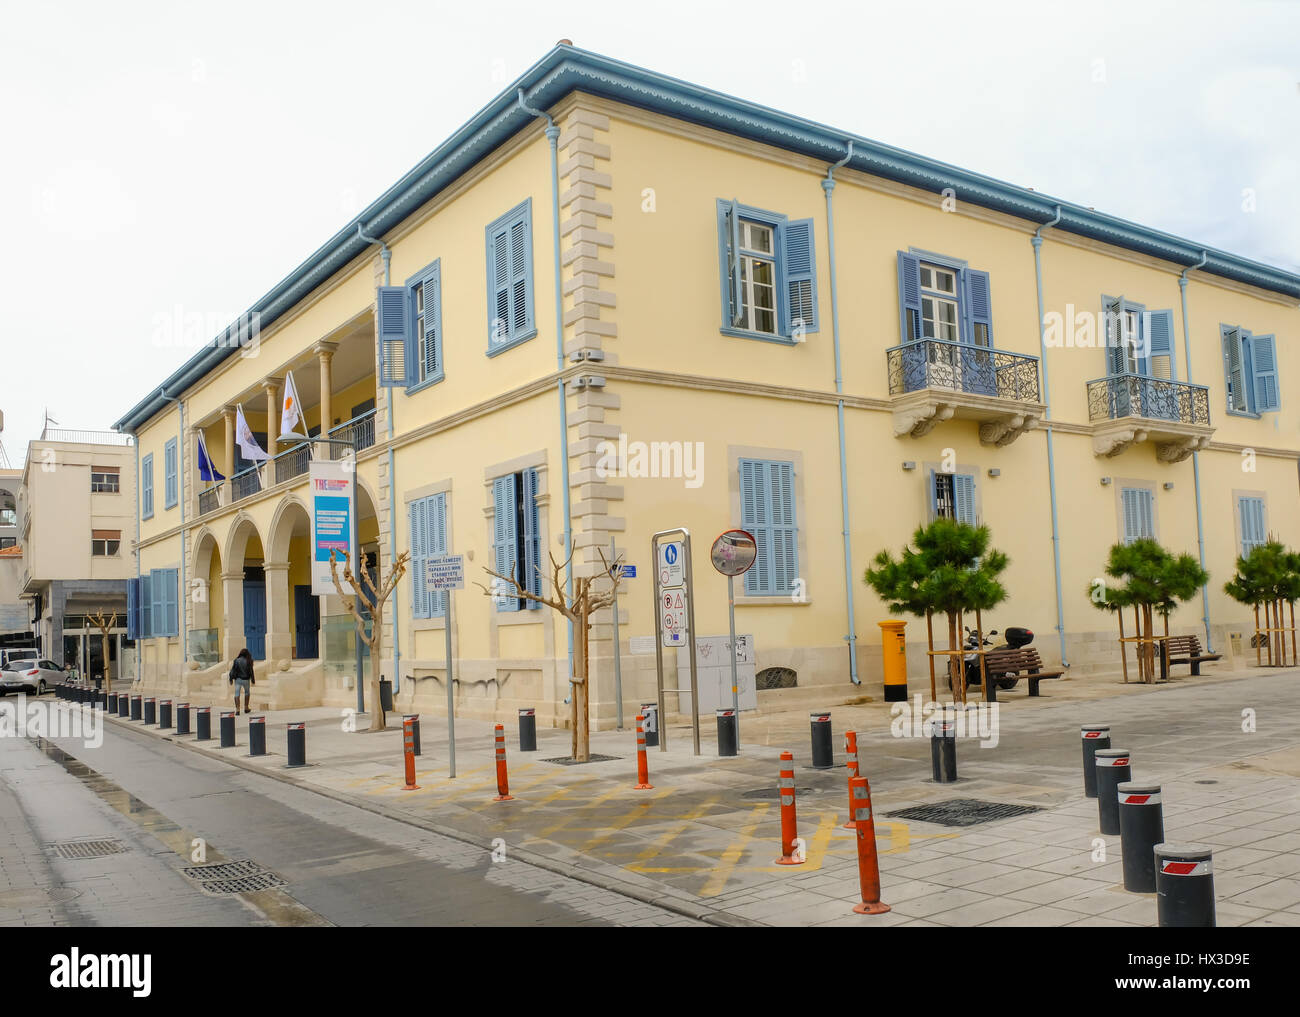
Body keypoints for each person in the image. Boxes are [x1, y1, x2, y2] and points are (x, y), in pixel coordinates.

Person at [229, 648, 255, 715]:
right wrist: (253, 679)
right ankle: (246, 708)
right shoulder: (249, 660)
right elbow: (251, 671)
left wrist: (231, 678)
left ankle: (237, 709)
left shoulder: (236, 660)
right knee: (247, 693)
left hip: (238, 680)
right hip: (246, 680)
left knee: (237, 694)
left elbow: (233, 670)